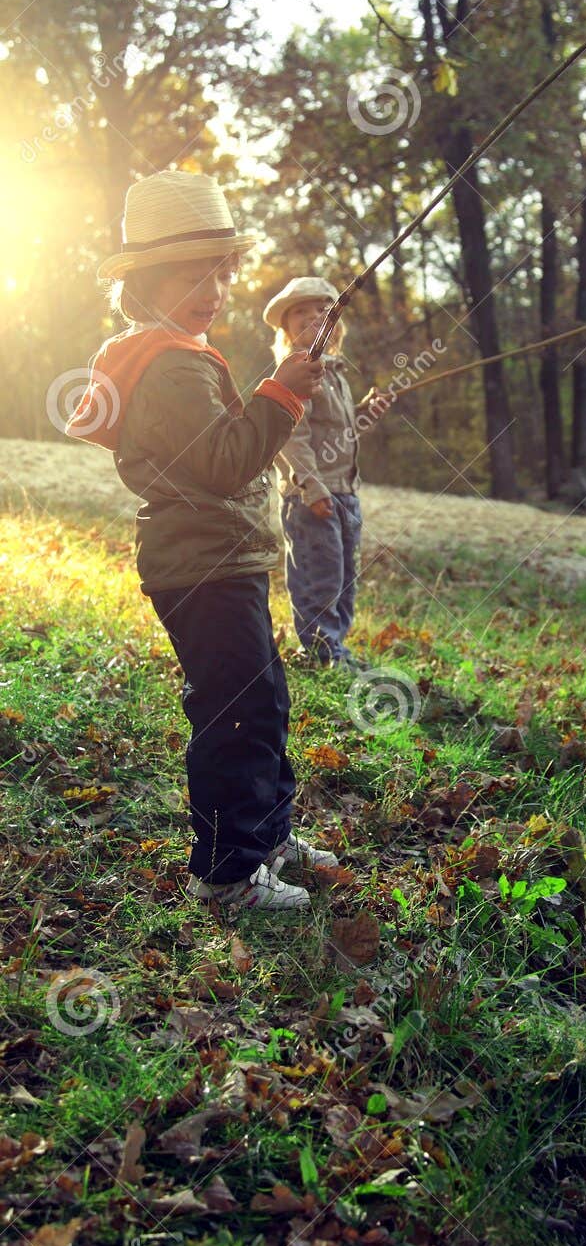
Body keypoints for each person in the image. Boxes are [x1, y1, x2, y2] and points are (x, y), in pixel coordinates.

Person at [65, 170, 341, 912]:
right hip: (204, 571)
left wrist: (282, 388)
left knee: (263, 702)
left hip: (221, 566)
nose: (214, 289)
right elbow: (225, 462)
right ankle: (226, 876)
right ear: (148, 282)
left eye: (221, 272)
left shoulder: (176, 354)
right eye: (193, 274)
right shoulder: (172, 365)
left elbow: (218, 441)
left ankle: (267, 837)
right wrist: (282, 391)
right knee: (236, 716)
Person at [263, 278, 364, 669]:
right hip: (312, 496)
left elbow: (340, 431)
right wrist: (313, 487)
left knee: (343, 576)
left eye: (323, 310)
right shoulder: (297, 372)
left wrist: (368, 410)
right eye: (301, 313)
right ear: (286, 329)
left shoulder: (334, 372)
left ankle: (336, 648)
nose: (314, 318)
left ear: (337, 322)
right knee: (318, 577)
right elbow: (292, 436)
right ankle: (320, 653)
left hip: (345, 491)